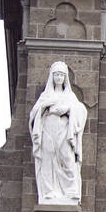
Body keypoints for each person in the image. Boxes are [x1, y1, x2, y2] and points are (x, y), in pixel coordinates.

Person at [29, 62, 87, 204]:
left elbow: (80, 111)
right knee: (47, 159)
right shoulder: (46, 95)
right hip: (48, 129)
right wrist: (45, 106)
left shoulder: (70, 97)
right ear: (52, 77)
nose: (59, 78)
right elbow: (34, 114)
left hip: (64, 131)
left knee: (67, 157)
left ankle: (71, 190)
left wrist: (66, 109)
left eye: (61, 75)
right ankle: (48, 192)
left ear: (65, 77)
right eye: (56, 75)